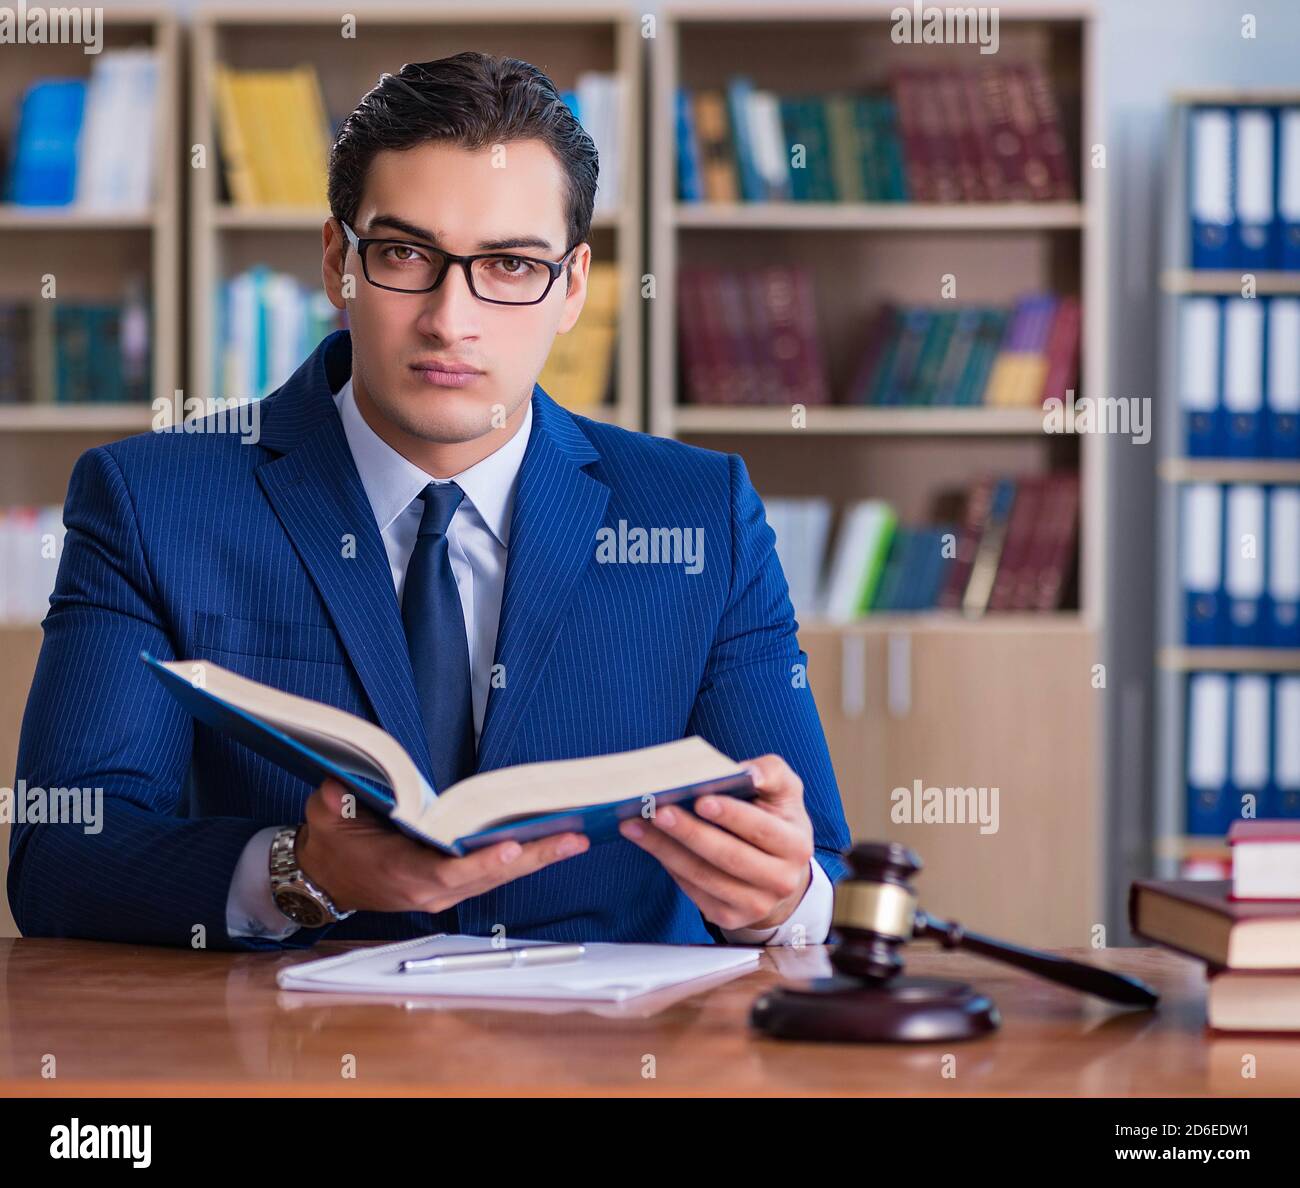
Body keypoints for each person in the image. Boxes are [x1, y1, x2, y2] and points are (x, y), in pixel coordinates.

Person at [9, 52, 850, 951]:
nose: (452, 319)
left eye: (511, 264)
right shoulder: (151, 499)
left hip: (608, 1067)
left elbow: (817, 873)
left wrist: (781, 898)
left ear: (571, 288)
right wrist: (303, 872)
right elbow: (62, 853)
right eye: (405, 253)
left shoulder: (699, 514)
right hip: (296, 1066)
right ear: (339, 261)